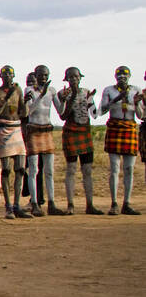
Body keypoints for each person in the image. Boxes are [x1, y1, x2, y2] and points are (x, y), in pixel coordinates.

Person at [55, 66, 99, 214]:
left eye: (76, 76)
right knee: (71, 169)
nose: (74, 79)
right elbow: (62, 116)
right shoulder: (63, 94)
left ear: (80, 77)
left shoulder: (86, 92)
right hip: (71, 132)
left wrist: (91, 100)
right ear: (66, 79)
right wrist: (69, 98)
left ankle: (90, 205)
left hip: (85, 131)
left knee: (87, 170)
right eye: (71, 77)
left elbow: (94, 114)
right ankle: (71, 205)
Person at [0, 65, 30, 219]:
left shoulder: (18, 91)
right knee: (5, 170)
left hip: (16, 129)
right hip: (2, 130)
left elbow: (23, 113)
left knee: (20, 169)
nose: (8, 77)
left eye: (10, 75)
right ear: (0, 76)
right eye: (5, 75)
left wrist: (25, 101)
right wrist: (6, 98)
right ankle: (8, 207)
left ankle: (17, 205)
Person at [100, 65, 139, 215]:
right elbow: (102, 110)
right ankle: (114, 203)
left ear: (129, 77)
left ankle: (127, 203)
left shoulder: (135, 90)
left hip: (129, 127)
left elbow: (140, 115)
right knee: (115, 168)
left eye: (125, 76)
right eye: (119, 76)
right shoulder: (109, 90)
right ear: (115, 77)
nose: (122, 78)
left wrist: (136, 102)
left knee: (129, 169)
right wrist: (116, 99)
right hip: (114, 127)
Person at [23, 65, 61, 215]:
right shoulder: (29, 90)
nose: (43, 77)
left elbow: (61, 111)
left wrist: (64, 99)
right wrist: (40, 95)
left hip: (47, 129)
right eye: (41, 75)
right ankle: (34, 203)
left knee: (49, 171)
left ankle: (51, 203)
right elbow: (29, 111)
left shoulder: (52, 91)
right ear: (36, 75)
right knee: (33, 170)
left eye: (46, 75)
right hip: (33, 129)